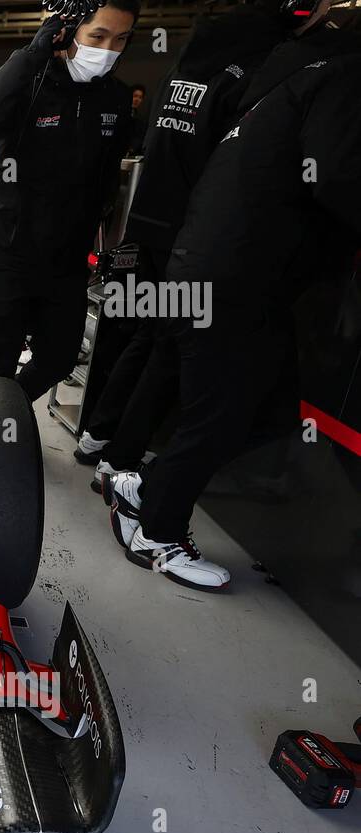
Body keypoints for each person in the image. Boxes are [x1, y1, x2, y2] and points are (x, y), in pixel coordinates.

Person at [104, 31, 361, 591]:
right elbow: (337, 174)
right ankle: (157, 534)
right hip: (229, 281)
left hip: (229, 276)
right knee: (218, 418)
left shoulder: (289, 81)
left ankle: (146, 490)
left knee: (268, 418)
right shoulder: (343, 77)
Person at [77, 0, 335, 490]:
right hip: (188, 233)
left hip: (146, 223)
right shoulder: (252, 75)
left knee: (141, 334)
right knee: (162, 346)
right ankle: (118, 459)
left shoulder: (188, 63)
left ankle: (99, 435)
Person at [0, 1, 137, 403]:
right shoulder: (29, 77)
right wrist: (30, 54)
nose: (109, 48)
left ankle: (10, 412)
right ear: (69, 31)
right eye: (98, 36)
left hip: (68, 258)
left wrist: (102, 226)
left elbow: (109, 172)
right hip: (7, 249)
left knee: (58, 359)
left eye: (121, 39)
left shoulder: (116, 97)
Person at [127, 84, 148, 155]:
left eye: (140, 97)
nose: (137, 99)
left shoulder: (140, 119)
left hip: (132, 154)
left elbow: (139, 137)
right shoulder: (120, 113)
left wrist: (132, 149)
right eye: (135, 96)